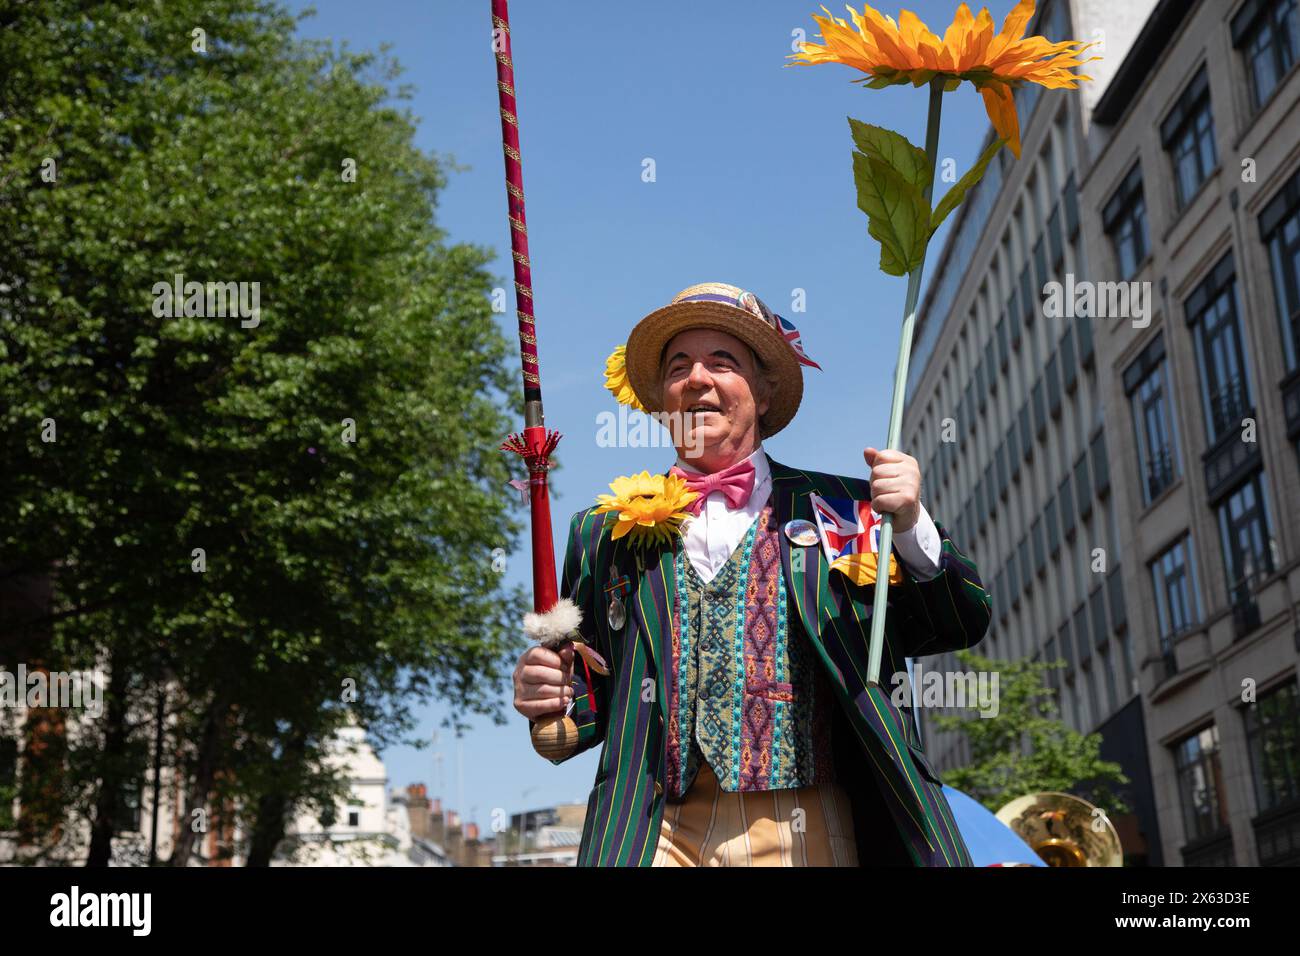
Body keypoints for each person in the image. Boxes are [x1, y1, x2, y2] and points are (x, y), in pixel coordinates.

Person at [512, 281, 990, 866]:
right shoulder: (602, 532)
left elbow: (958, 621)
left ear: (763, 393)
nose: (697, 378)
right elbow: (586, 700)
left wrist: (912, 522)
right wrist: (547, 697)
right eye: (679, 365)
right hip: (653, 824)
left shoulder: (843, 509)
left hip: (800, 818)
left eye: (722, 362)